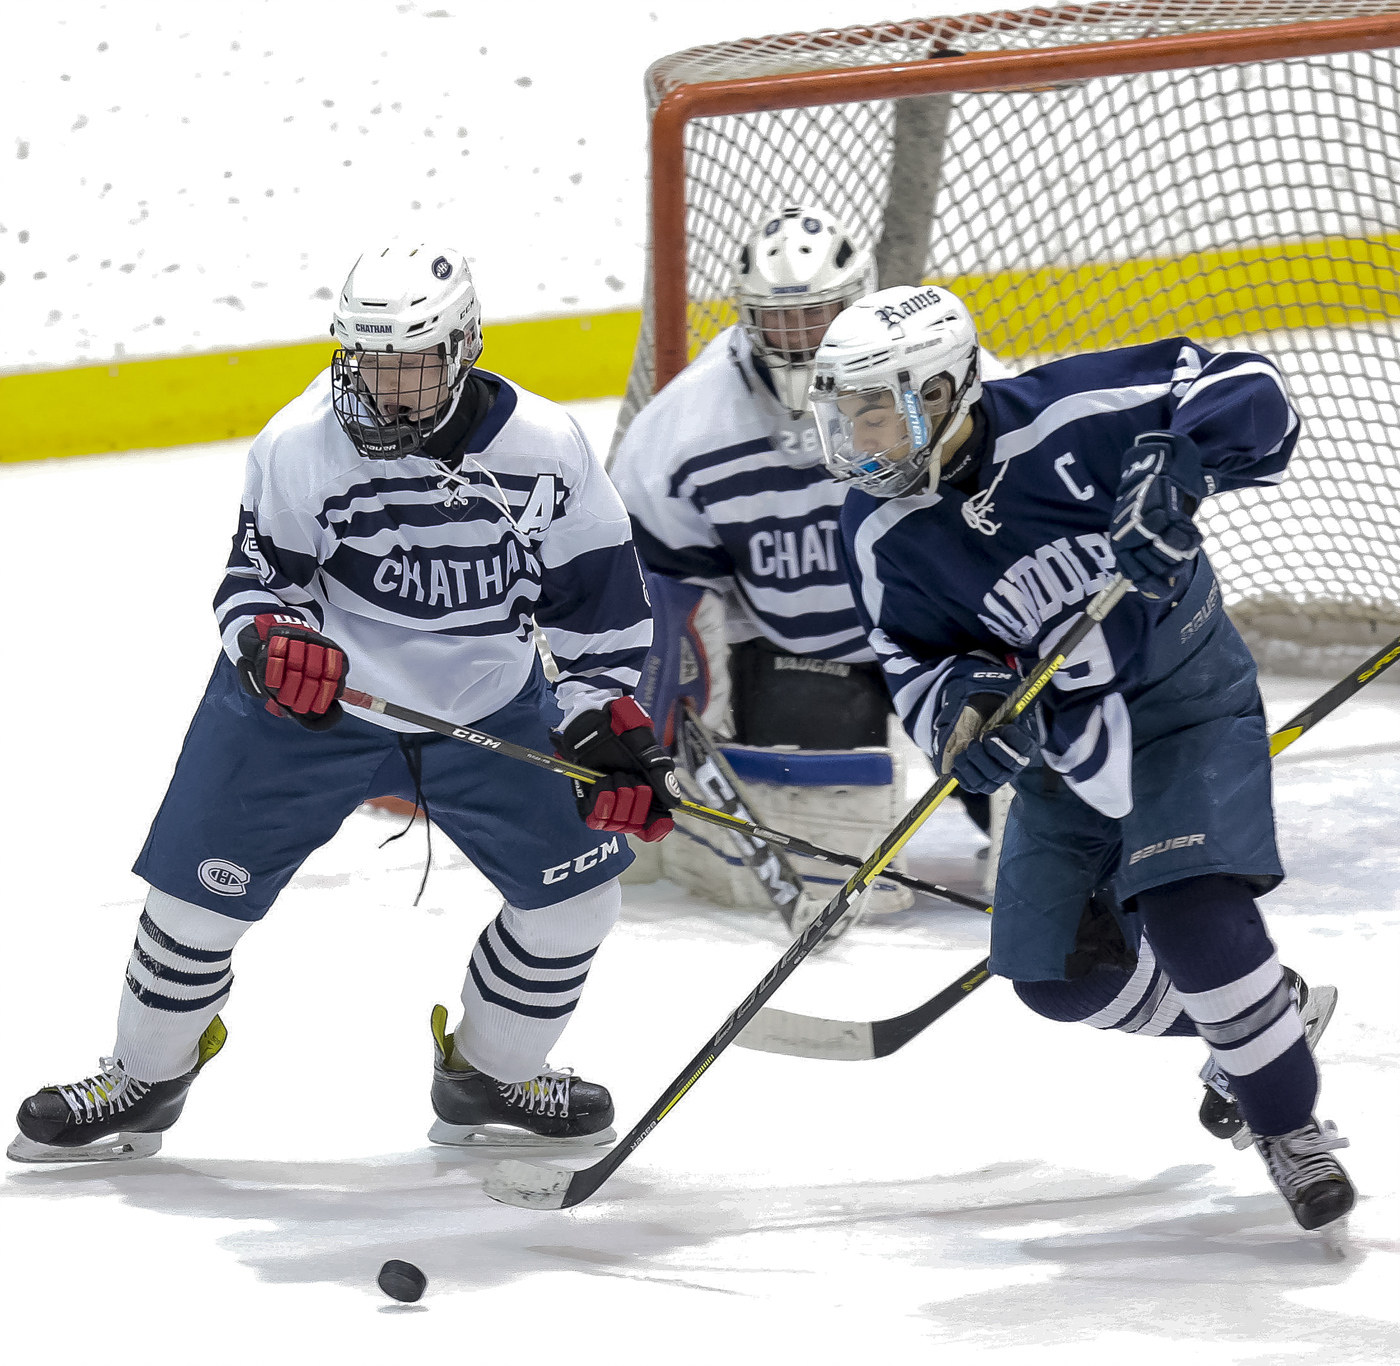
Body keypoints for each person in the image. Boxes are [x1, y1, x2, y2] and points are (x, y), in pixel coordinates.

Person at [9, 243, 679, 1163]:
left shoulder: (547, 449)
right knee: (196, 907)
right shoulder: (301, 444)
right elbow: (255, 583)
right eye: (368, 360)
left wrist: (598, 717)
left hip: (486, 706)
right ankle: (143, 1077)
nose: (384, 386)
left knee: (576, 906)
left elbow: (596, 605)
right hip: (311, 712)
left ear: (465, 348)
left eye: (412, 363)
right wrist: (273, 642)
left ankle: (489, 1076)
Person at [816, 282, 1354, 1232]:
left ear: (941, 393)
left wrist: (1176, 464)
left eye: (876, 412)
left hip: (1183, 704)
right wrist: (969, 715)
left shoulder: (1075, 411)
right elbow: (914, 656)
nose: (859, 439)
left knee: (1190, 911)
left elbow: (1251, 386)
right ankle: (1267, 1018)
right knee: (1061, 974)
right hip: (1064, 751)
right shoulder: (876, 528)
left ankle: (1287, 1123)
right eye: (845, 414)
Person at [612, 204, 989, 925]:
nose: (802, 337)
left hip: (949, 637)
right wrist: (681, 679)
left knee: (1024, 764)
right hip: (807, 653)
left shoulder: (939, 375)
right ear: (746, 318)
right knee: (828, 857)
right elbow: (661, 582)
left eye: (819, 315)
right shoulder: (685, 427)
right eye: (780, 320)